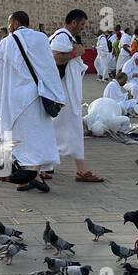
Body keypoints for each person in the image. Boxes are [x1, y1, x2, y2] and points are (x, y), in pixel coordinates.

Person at [0, 11, 65, 193]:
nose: (8, 27)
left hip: (15, 99)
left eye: (9, 23)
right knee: (38, 137)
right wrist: (56, 93)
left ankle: (24, 180)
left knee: (20, 138)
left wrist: (2, 102)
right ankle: (33, 173)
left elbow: (2, 76)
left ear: (16, 23)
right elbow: (49, 68)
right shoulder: (41, 39)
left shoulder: (5, 43)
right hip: (37, 96)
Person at [51, 9, 104, 183]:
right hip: (64, 94)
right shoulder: (61, 37)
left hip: (66, 93)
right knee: (68, 129)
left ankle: (44, 167)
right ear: (73, 22)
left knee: (61, 130)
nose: (82, 28)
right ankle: (79, 170)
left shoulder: (67, 38)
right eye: (81, 25)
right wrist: (76, 53)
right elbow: (57, 58)